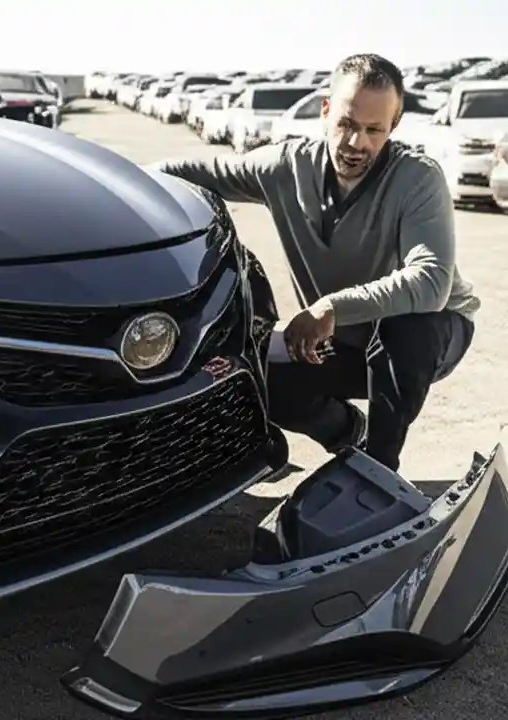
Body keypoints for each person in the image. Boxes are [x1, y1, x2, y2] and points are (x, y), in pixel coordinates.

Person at [150, 53, 479, 472]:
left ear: (393, 126)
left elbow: (431, 282)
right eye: (346, 123)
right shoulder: (286, 167)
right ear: (325, 111)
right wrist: (113, 182)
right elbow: (197, 171)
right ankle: (349, 436)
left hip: (430, 336)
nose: (356, 143)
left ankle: (379, 469)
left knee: (406, 326)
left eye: (374, 130)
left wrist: (330, 308)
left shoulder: (417, 178)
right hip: (346, 338)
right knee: (254, 379)